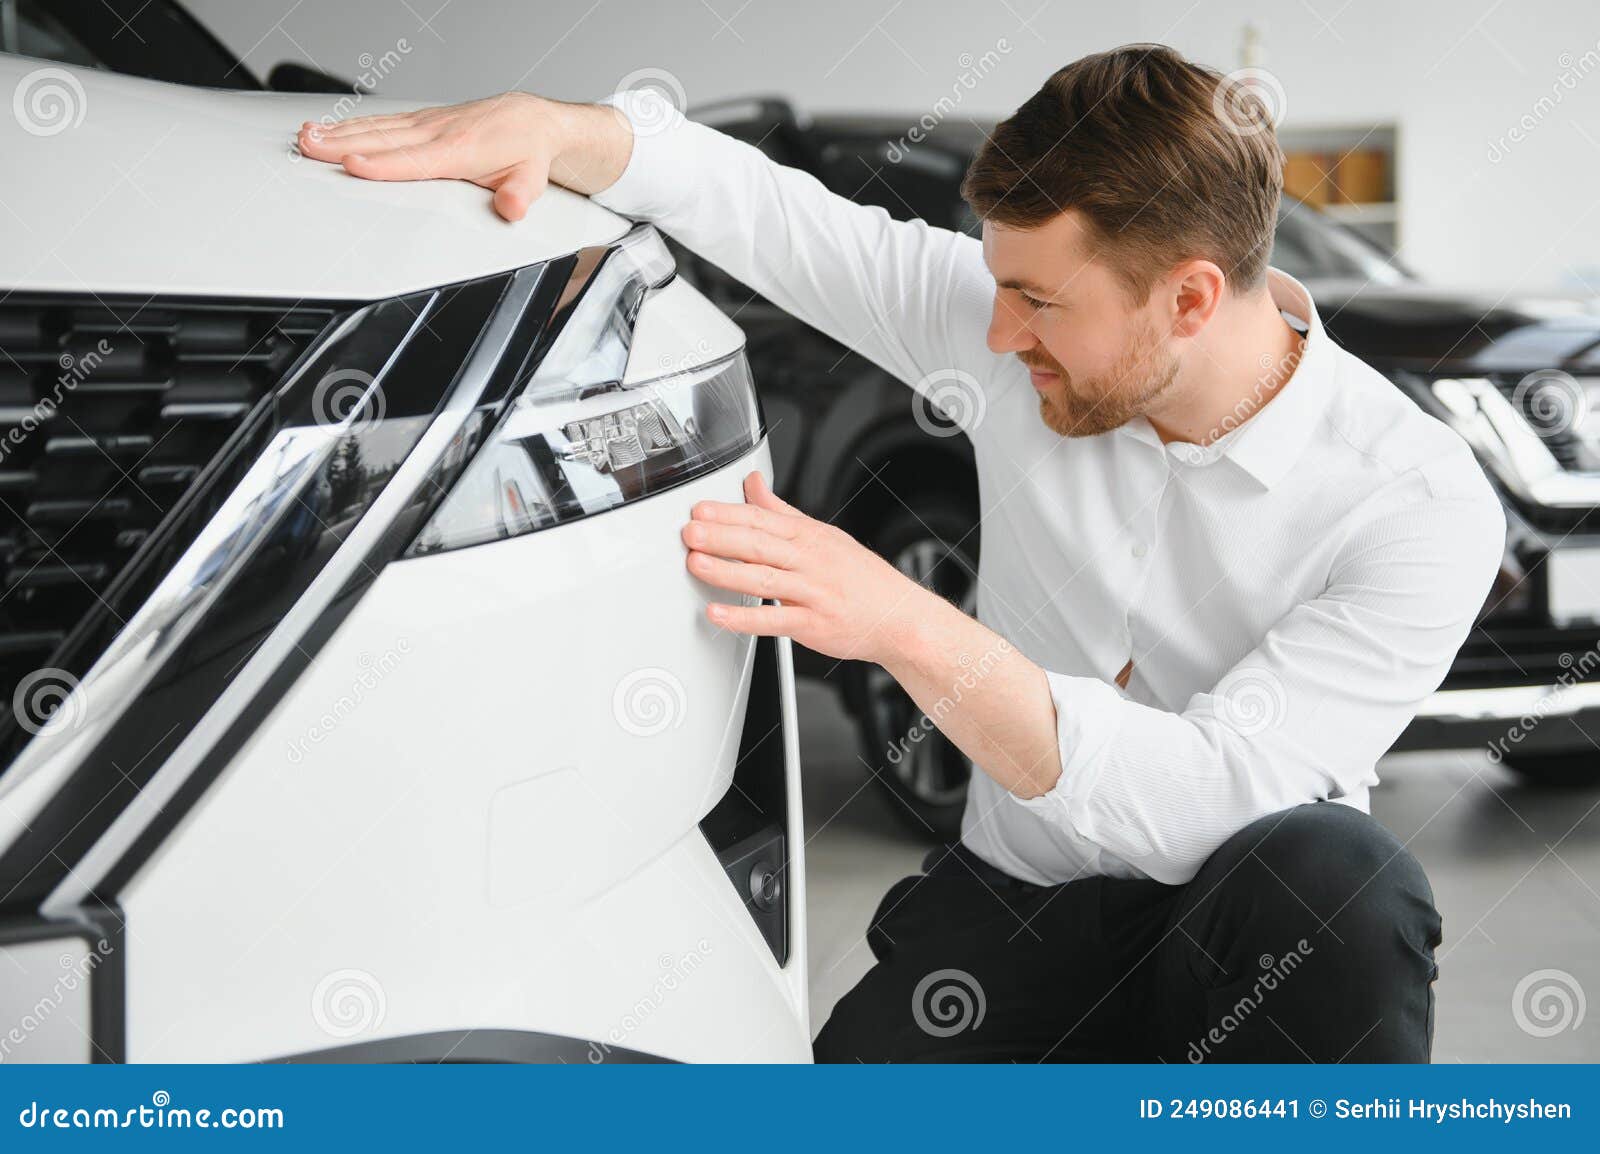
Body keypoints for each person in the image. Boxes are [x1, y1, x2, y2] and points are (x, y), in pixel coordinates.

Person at [297, 44, 1503, 1062]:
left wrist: (906, 625)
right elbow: (778, 217)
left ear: (1187, 299)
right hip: (1010, 911)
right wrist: (561, 128)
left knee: (1343, 880)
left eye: (1036, 299)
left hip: (1245, 934)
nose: (994, 330)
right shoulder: (1014, 329)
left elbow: (1206, 798)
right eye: (994, 283)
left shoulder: (1416, 501)